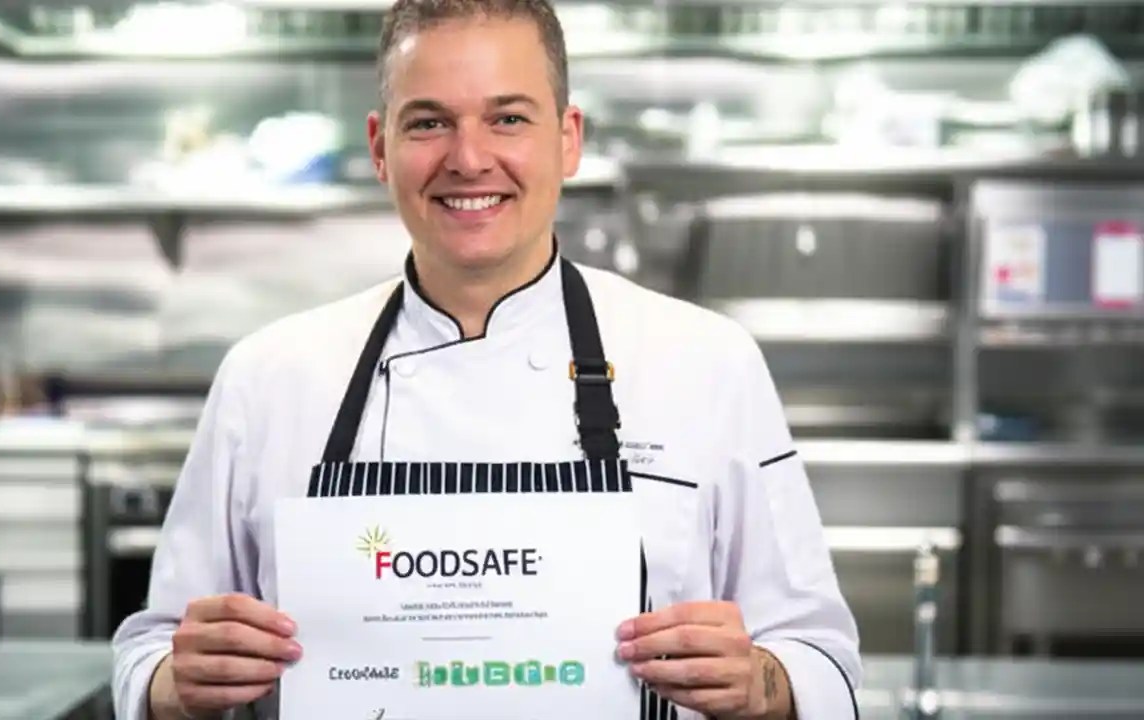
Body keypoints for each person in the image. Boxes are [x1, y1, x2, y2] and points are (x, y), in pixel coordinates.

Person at [111, 0, 862, 718]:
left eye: (507, 118)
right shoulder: (268, 378)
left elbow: (821, 659)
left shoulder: (707, 363)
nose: (468, 160)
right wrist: (177, 682)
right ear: (380, 148)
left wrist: (763, 681)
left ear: (568, 139)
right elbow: (150, 652)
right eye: (429, 123)